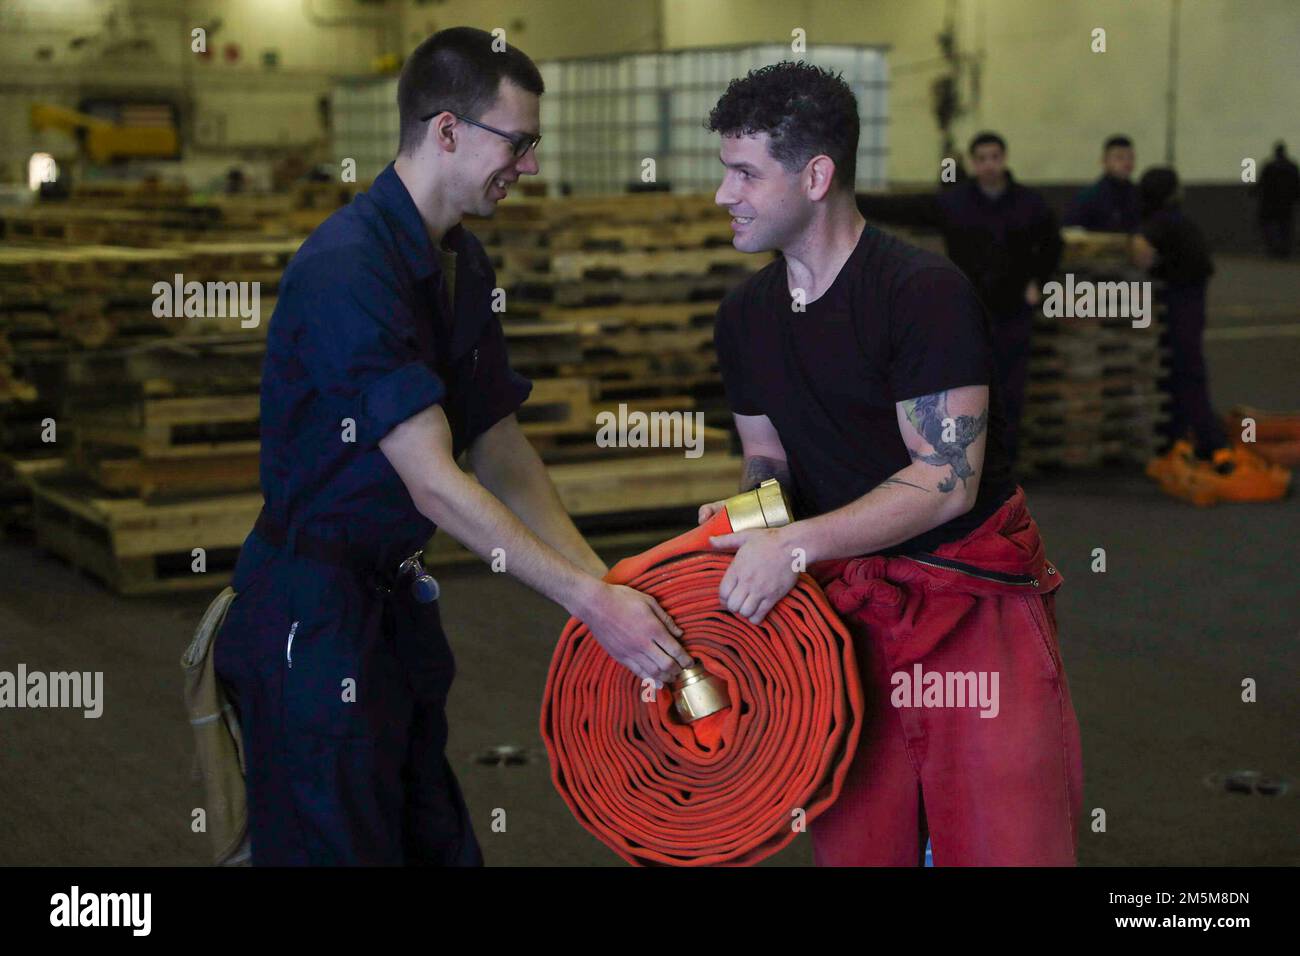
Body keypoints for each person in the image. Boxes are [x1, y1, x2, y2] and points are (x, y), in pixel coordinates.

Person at [211, 27, 691, 866]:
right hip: (310, 614)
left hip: (395, 606)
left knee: (432, 841)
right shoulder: (347, 267)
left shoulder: (462, 265)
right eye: (520, 142)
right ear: (446, 130)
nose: (531, 166)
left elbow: (500, 450)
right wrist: (591, 608)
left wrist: (611, 588)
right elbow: (435, 482)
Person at [700, 61, 1083, 865]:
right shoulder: (744, 316)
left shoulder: (922, 294)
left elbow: (946, 480)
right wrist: (751, 519)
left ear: (816, 174)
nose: (722, 195)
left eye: (743, 173)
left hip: (967, 605)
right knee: (862, 841)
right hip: (843, 618)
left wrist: (795, 544)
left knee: (1002, 841)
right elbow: (766, 454)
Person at [860, 133, 1062, 471]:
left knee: (1010, 388)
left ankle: (1004, 463)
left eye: (994, 157)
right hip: (967, 311)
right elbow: (902, 209)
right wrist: (847, 198)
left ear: (1004, 158)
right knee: (965, 387)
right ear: (972, 162)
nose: (988, 165)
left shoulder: (1029, 204)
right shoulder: (956, 202)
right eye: (981, 158)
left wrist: (1038, 282)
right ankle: (972, 464)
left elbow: (1053, 245)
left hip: (1012, 309)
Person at [1135, 167, 1290, 503]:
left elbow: (1141, 249)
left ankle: (1209, 443)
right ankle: (1188, 437)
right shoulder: (1177, 220)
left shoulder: (1161, 222)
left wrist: (1143, 267)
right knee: (1186, 369)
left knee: (1186, 369)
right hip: (1190, 297)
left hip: (1183, 300)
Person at [1065, 134, 1140, 233]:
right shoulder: (1089, 197)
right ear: (1104, 161)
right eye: (1119, 157)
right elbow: (1071, 231)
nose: (1127, 162)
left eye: (1130, 157)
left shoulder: (1139, 195)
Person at [1256, 141, 1299, 258]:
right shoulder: (1292, 166)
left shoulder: (1270, 166)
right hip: (1286, 203)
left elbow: (1261, 183)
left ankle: (1274, 249)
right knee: (1285, 226)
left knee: (1269, 225)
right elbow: (1296, 185)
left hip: (1271, 202)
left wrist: (1255, 192)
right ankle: (1284, 249)